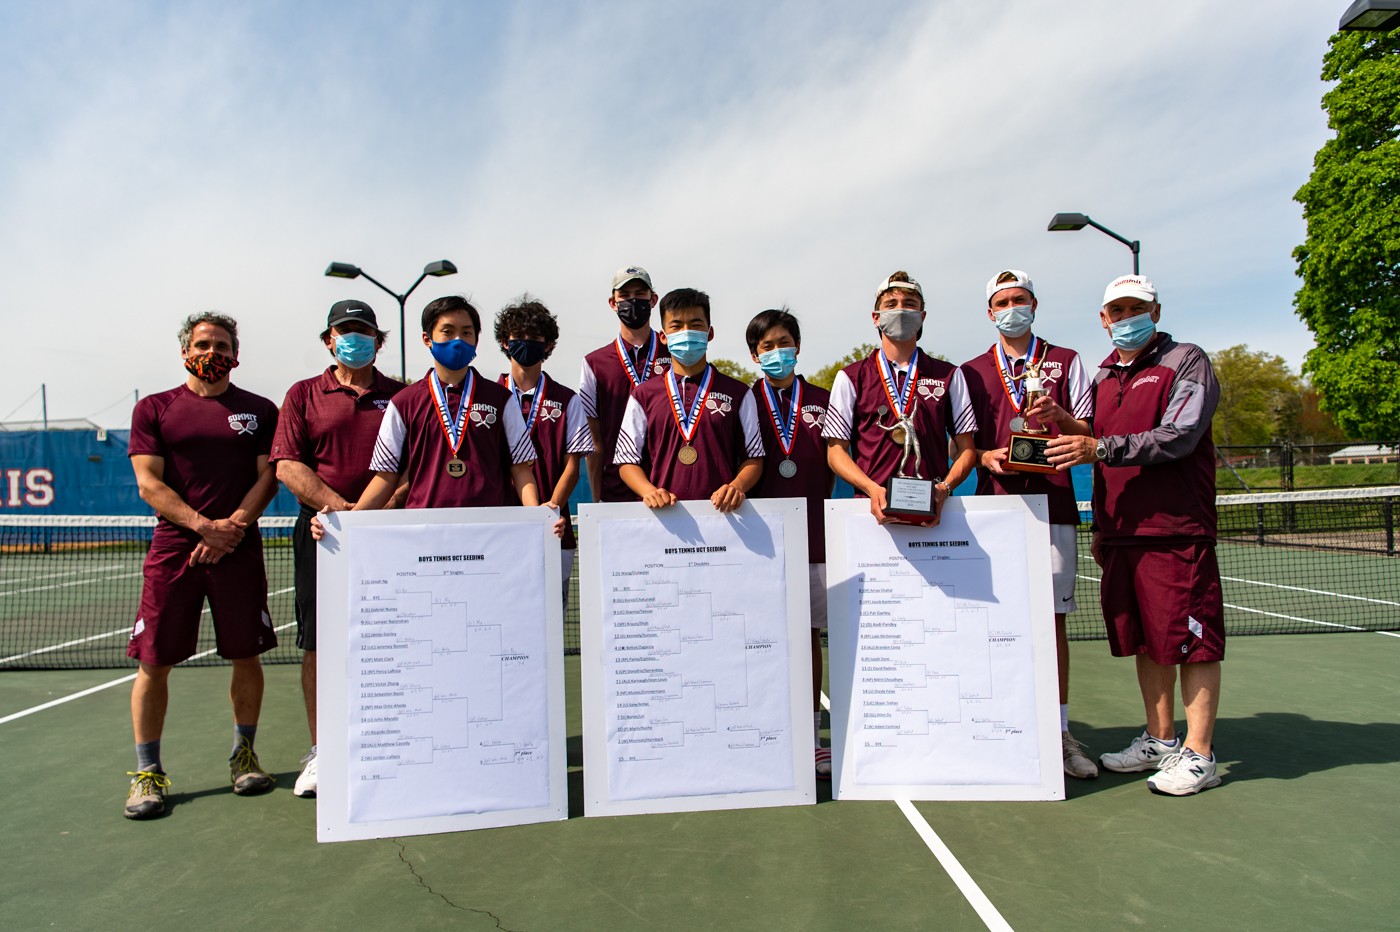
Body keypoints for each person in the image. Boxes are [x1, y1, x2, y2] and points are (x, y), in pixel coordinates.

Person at [1046, 274, 1224, 796]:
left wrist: (1096, 447)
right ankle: (1160, 739)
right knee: (1146, 639)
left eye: (1136, 308)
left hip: (1174, 529)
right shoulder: (1102, 378)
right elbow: (1100, 449)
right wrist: (1068, 426)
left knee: (1193, 644)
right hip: (1123, 533)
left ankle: (1200, 753)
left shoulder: (1186, 360)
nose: (1126, 318)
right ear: (1104, 319)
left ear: (1156, 311)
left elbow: (1179, 435)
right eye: (1116, 311)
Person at [122, 312, 281, 820]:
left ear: (237, 353)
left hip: (239, 545)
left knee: (245, 656)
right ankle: (148, 773)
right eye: (202, 343)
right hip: (174, 548)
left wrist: (230, 526)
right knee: (154, 663)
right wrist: (202, 526)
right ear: (184, 351)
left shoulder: (259, 411)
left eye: (221, 343)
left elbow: (268, 479)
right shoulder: (155, 409)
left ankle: (245, 756)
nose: (211, 351)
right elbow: (150, 484)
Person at [960, 270, 1099, 779]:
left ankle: (1058, 732)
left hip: (1054, 506)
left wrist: (1060, 415)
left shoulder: (1067, 362)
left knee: (1052, 623)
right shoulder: (971, 371)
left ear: (1034, 304)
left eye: (1020, 299)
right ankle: (995, 724)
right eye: (1002, 301)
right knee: (992, 622)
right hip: (994, 511)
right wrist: (986, 455)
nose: (1011, 307)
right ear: (990, 311)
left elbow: (1089, 431)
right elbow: (965, 445)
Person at [269, 299, 404, 800]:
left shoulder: (403, 395)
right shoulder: (304, 394)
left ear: (379, 340)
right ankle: (324, 751)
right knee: (320, 643)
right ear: (328, 340)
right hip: (323, 535)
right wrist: (342, 512)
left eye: (363, 331)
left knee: (394, 639)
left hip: (391, 534)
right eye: (344, 331)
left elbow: (414, 465)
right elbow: (287, 465)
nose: (354, 339)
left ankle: (394, 742)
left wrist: (376, 514)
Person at [745, 308, 835, 779]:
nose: (775, 351)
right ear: (754, 354)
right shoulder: (742, 402)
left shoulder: (824, 398)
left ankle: (813, 735)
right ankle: (768, 731)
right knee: (762, 640)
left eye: (783, 342)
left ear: (797, 346)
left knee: (810, 638)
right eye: (765, 346)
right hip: (761, 544)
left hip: (816, 538)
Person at [823, 272, 977, 526]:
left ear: (922, 317)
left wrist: (945, 489)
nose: (900, 310)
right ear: (876, 318)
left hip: (933, 516)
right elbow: (835, 453)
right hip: (869, 515)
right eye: (891, 305)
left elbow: (967, 450)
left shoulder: (949, 374)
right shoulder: (850, 377)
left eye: (909, 305)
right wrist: (872, 489)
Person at [614, 287, 764, 511]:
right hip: (663, 517)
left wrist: (737, 486)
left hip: (723, 517)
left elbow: (754, 459)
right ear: (663, 336)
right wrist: (648, 491)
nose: (686, 332)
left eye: (695, 325)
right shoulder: (643, 395)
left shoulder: (739, 392)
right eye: (676, 326)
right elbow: (626, 461)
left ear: (710, 333)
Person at [494, 295, 593, 602]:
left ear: (548, 346)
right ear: (504, 342)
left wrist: (547, 513)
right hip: (497, 530)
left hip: (554, 529)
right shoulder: (487, 398)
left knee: (552, 627)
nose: (528, 344)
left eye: (536, 338)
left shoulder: (567, 399)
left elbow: (572, 468)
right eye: (519, 337)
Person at [579, 266, 671, 503]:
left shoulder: (675, 354)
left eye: (640, 294)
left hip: (670, 486)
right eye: (625, 295)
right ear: (613, 302)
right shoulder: (594, 363)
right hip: (617, 492)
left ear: (653, 300)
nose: (633, 300)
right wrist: (597, 498)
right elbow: (595, 441)